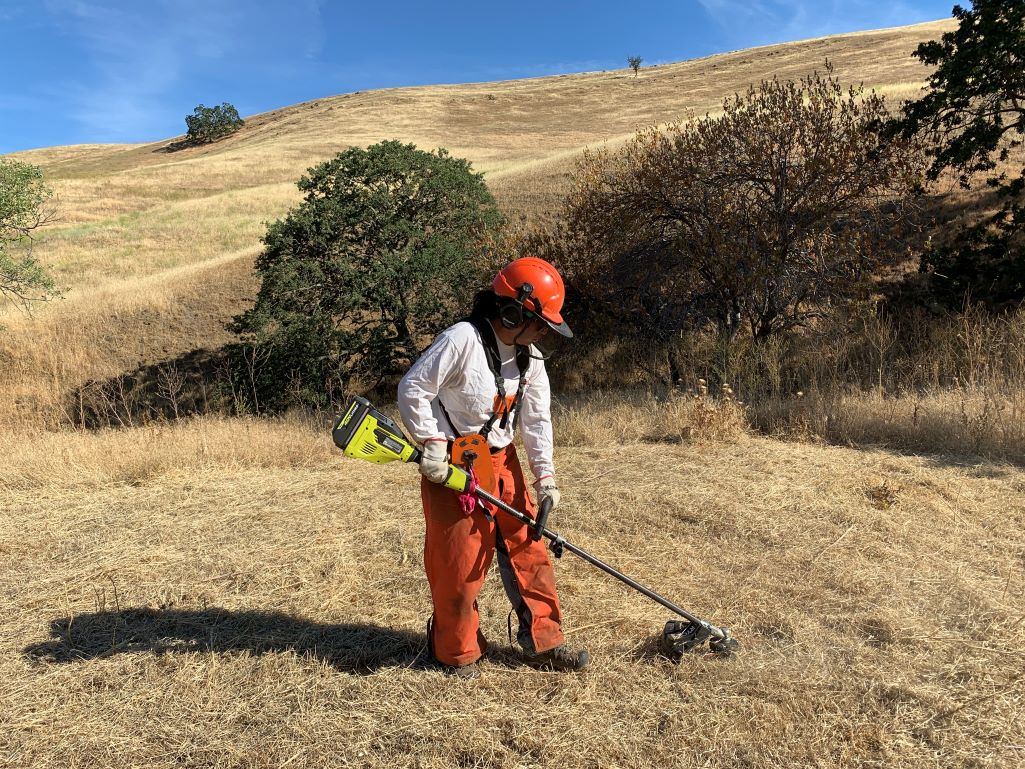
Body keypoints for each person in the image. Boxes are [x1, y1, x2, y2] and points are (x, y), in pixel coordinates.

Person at [397, 256, 589, 679]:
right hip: (455, 462)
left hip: (503, 462)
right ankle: (457, 652)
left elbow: (537, 420)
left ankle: (544, 643)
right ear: (512, 311)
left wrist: (546, 478)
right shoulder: (461, 340)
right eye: (539, 322)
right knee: (459, 563)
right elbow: (413, 387)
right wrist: (432, 442)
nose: (542, 332)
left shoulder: (530, 358)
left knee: (529, 549)